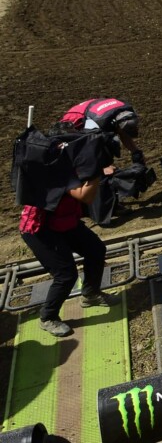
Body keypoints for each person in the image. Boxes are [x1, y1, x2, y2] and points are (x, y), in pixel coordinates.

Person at [18, 128, 115, 336]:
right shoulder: (58, 167)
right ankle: (48, 317)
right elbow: (85, 195)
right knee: (65, 273)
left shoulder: (72, 162)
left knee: (96, 249)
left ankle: (90, 294)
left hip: (64, 222)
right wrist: (97, 171)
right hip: (40, 229)